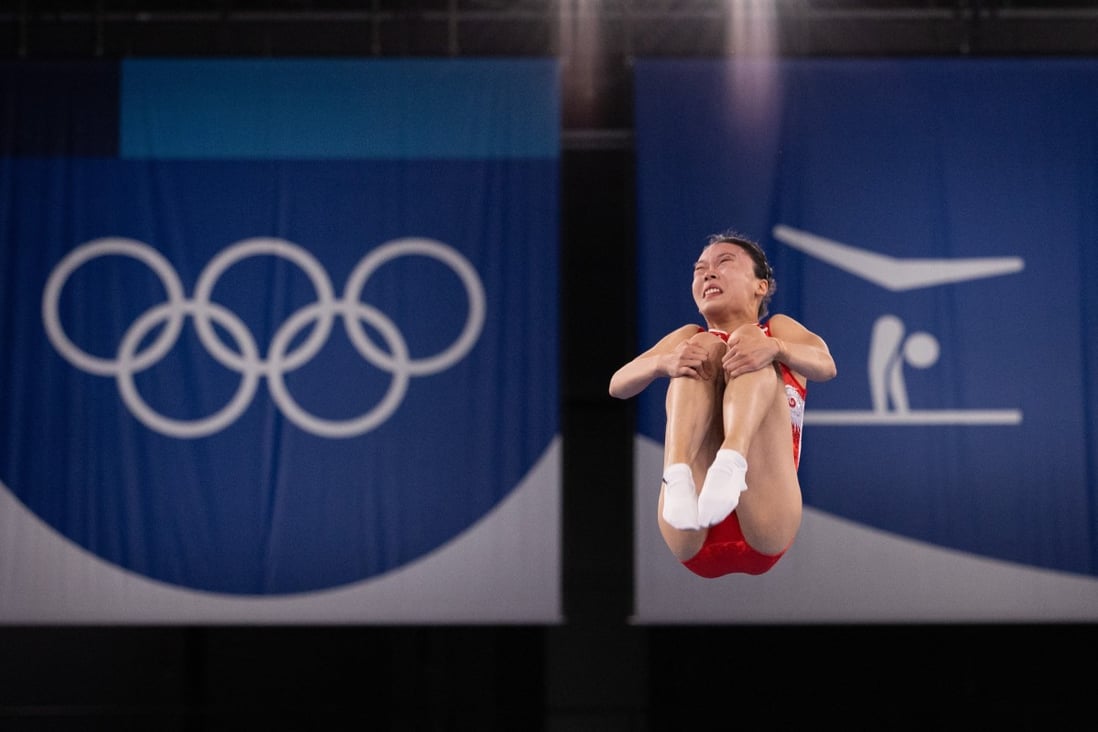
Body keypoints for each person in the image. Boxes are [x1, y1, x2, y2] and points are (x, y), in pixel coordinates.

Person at [609, 230, 837, 578]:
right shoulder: (689, 338)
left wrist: (776, 348)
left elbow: (826, 365)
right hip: (689, 513)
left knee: (747, 338)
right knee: (699, 347)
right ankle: (677, 474)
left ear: (760, 286)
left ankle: (732, 462)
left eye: (724, 263)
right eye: (699, 269)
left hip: (765, 510)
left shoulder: (778, 329)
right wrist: (663, 363)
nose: (708, 273)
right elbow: (617, 385)